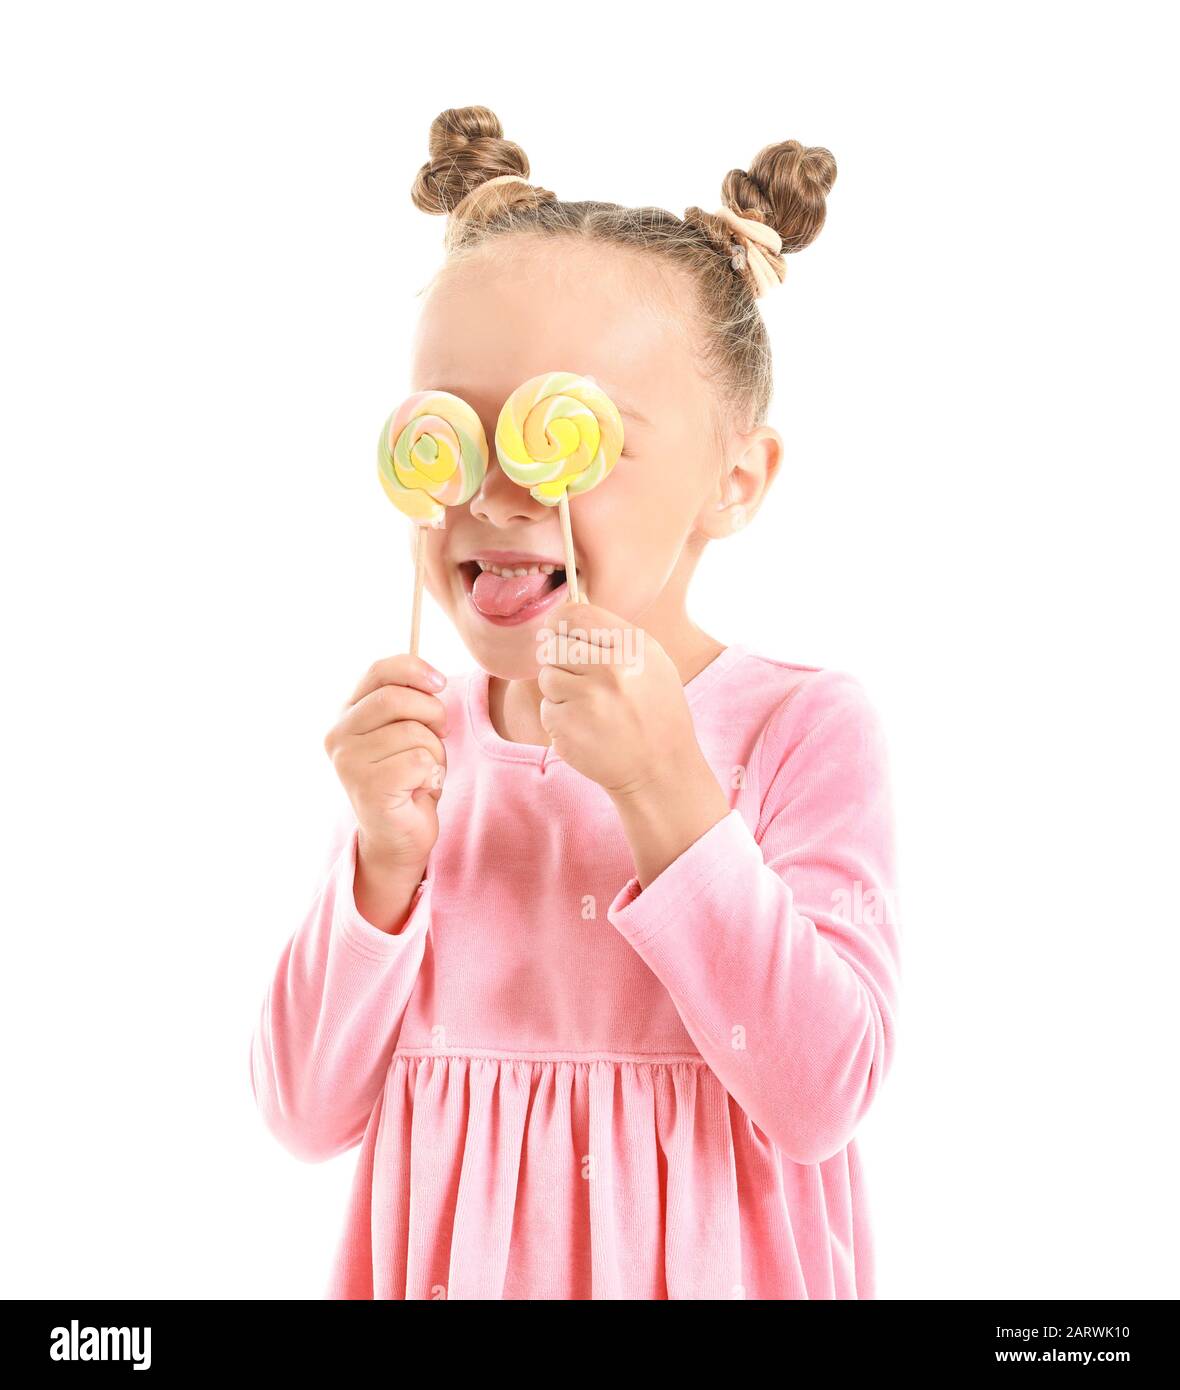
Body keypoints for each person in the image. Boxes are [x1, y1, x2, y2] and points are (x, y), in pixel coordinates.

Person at [249, 104, 903, 1300]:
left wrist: (666, 790)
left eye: (569, 439)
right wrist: (382, 872)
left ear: (735, 479)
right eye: (453, 430)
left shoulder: (800, 731)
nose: (499, 492)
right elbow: (302, 1114)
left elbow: (822, 1097)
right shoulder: (417, 744)